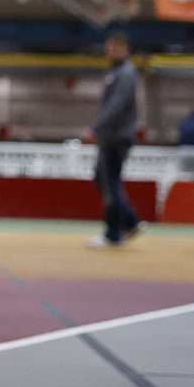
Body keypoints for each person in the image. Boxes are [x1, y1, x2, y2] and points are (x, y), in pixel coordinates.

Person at [87, 33, 143, 248]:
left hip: (117, 137)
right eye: (109, 47)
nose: (112, 52)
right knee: (102, 179)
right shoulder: (115, 73)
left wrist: (96, 128)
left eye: (117, 48)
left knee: (109, 183)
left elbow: (116, 106)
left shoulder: (126, 73)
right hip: (110, 136)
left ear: (126, 49)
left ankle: (113, 233)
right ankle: (129, 221)